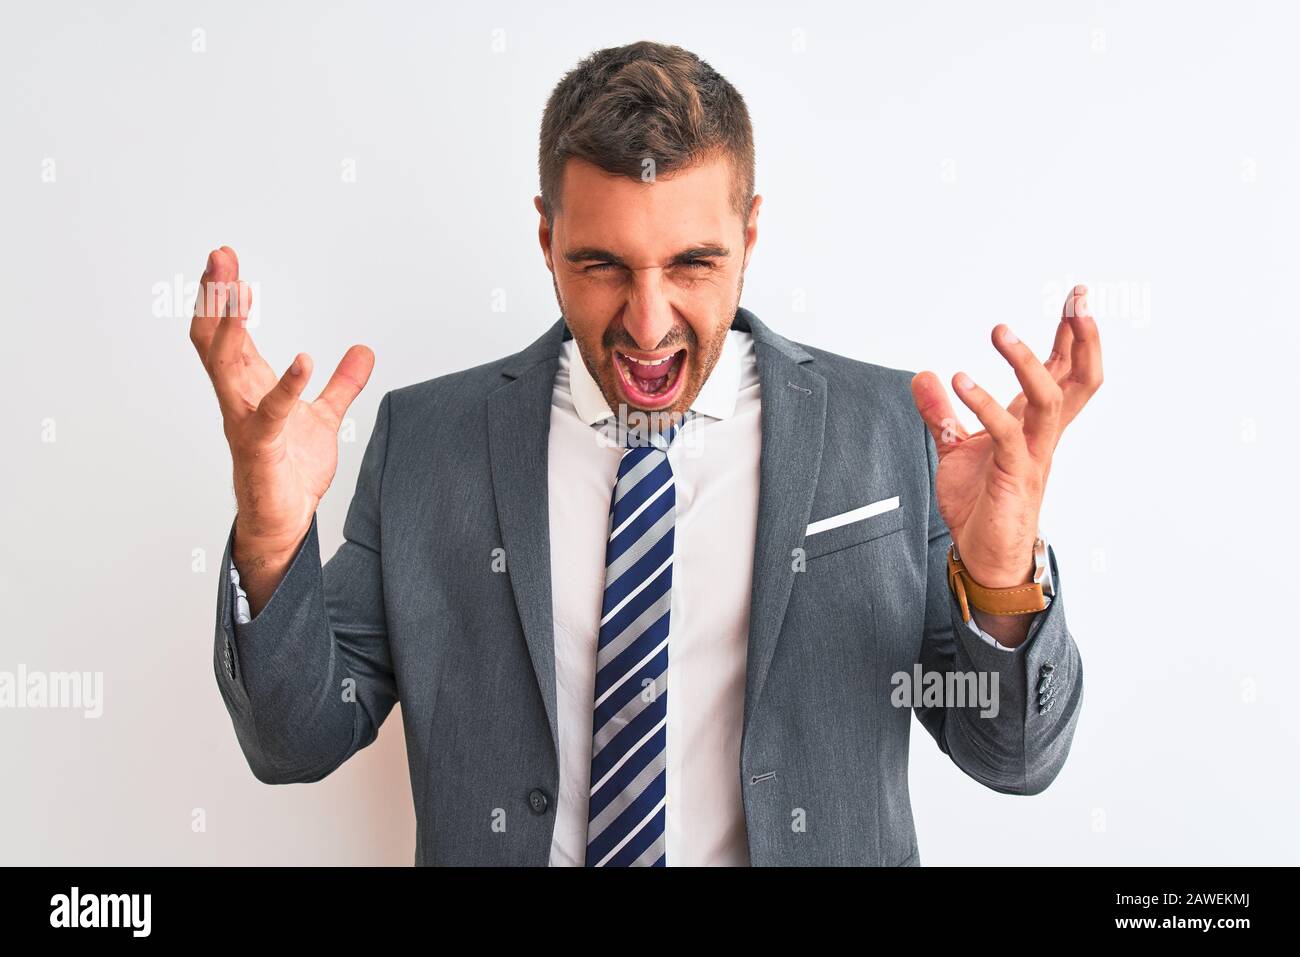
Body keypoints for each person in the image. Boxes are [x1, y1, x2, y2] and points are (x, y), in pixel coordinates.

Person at [191, 41, 1101, 866]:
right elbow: (295, 740)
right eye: (603, 265)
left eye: (693, 263)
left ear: (750, 234)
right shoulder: (429, 442)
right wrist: (272, 539)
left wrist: (1001, 572)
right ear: (546, 237)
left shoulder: (888, 427)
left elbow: (1012, 758)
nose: (649, 322)